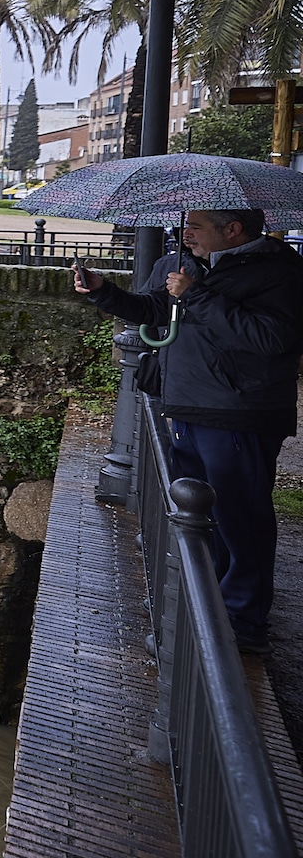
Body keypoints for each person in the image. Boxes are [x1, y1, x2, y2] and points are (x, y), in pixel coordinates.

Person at [74, 208, 303, 652]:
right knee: (200, 516)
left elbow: (273, 340)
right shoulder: (181, 262)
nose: (185, 233)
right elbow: (152, 310)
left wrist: (197, 296)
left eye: (195, 227)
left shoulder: (280, 272)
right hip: (184, 404)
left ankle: (243, 620)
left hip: (239, 410)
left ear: (232, 230)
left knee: (241, 515)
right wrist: (104, 292)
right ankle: (208, 602)